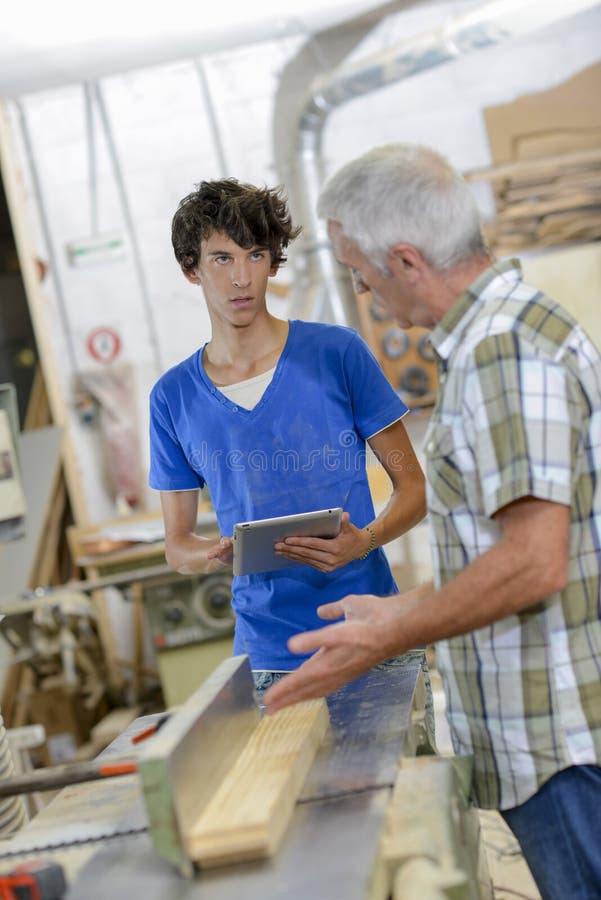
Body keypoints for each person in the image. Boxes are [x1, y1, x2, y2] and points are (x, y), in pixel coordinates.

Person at [263, 144, 601, 899]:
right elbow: (523, 553)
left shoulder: (504, 349)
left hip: (563, 745)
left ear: (406, 261)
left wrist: (391, 633)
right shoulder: (502, 336)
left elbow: (535, 562)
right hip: (550, 737)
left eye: (361, 274)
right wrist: (398, 606)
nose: (364, 294)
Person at [148, 178, 431, 715]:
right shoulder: (173, 398)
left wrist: (363, 540)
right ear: (191, 269)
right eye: (222, 258)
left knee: (407, 794)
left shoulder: (338, 354)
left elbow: (413, 488)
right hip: (267, 659)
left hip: (371, 634)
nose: (241, 278)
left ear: (274, 262)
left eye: (255, 255)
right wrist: (216, 556)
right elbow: (176, 544)